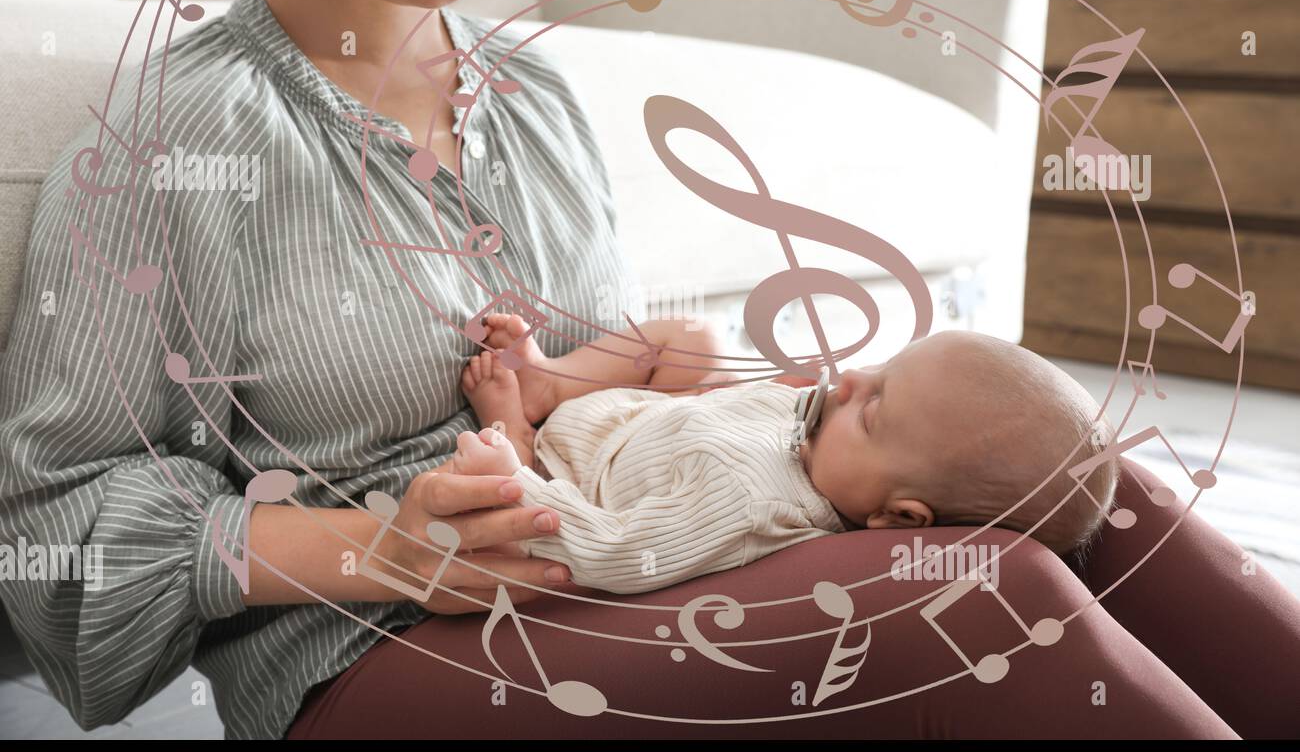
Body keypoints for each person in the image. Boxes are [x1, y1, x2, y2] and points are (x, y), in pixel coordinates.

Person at [2, 0, 1297, 741]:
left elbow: (588, 396)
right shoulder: (171, 142)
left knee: (1077, 479)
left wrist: (651, 376)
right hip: (376, 657)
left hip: (636, 551)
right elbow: (49, 529)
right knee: (986, 595)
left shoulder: (534, 105)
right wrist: (381, 548)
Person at [454, 317, 1116, 594]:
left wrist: (521, 480)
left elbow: (611, 550)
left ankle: (518, 424)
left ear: (899, 519)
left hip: (574, 469)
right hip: (631, 416)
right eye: (882, 368)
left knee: (512, 483)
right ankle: (556, 377)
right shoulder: (821, 435)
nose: (850, 381)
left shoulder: (747, 509)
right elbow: (715, 401)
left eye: (873, 407)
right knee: (695, 335)